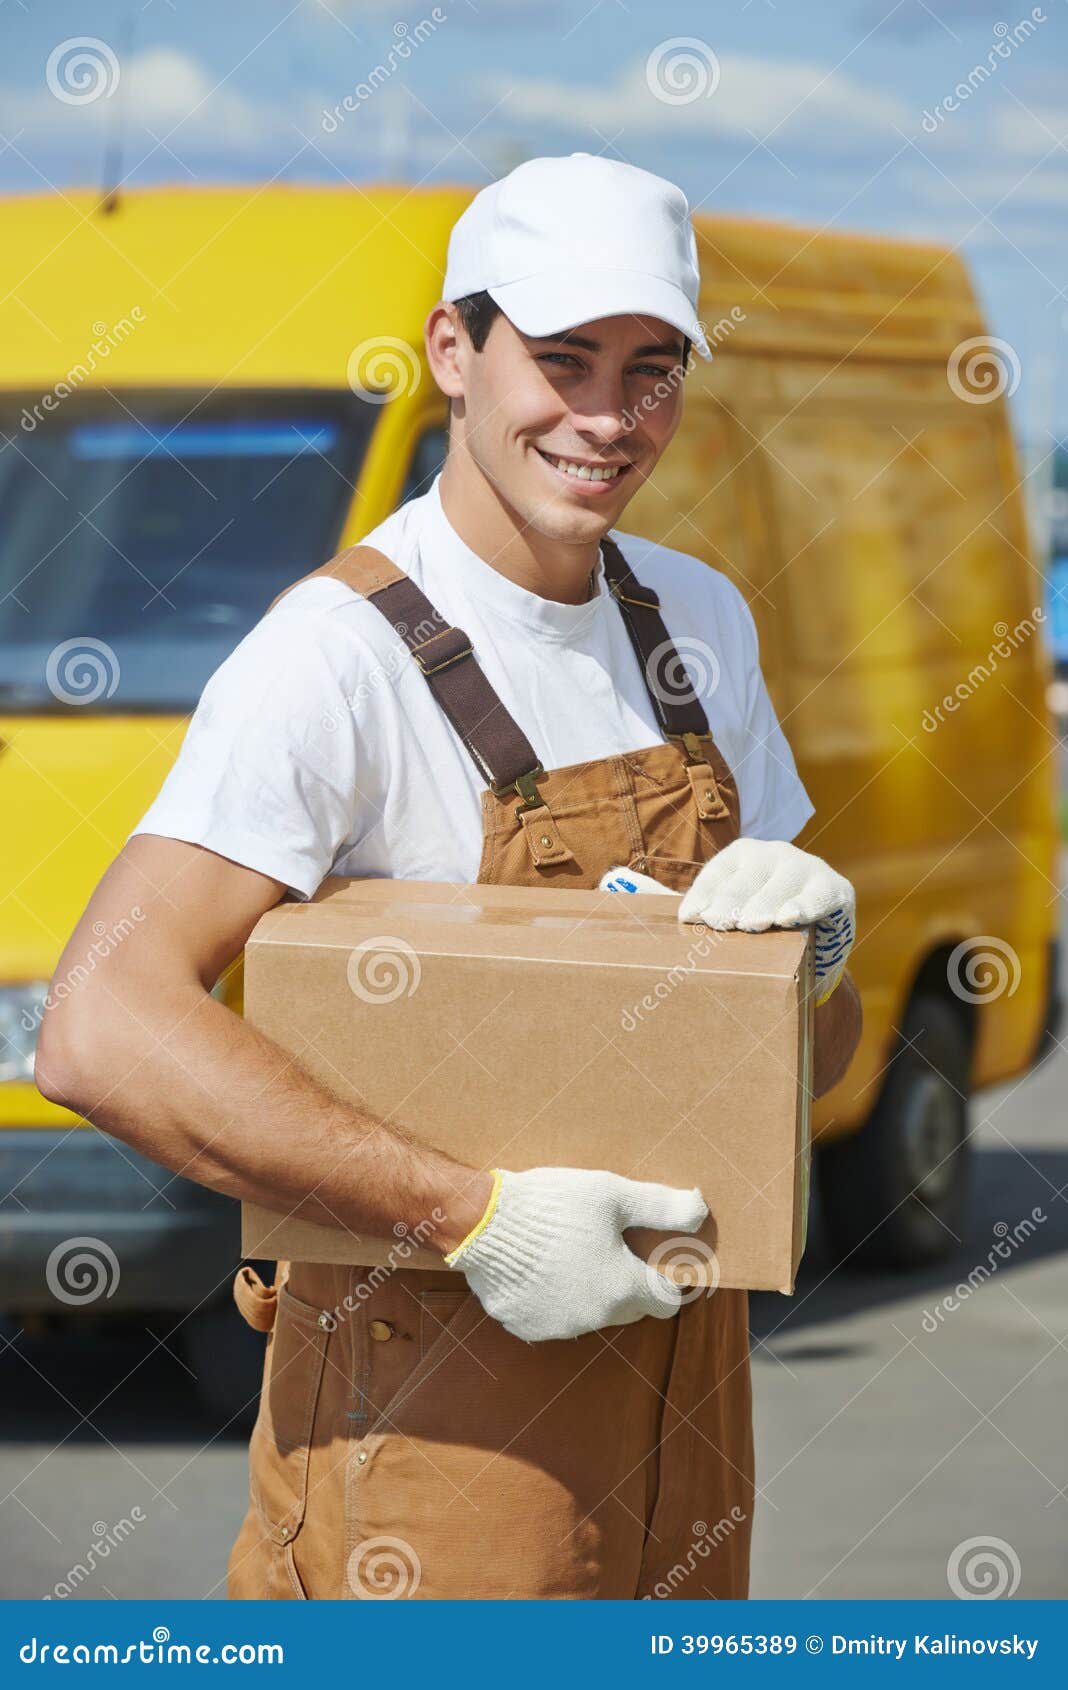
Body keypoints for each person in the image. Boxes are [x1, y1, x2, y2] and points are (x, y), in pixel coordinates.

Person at [36, 152, 862, 1601]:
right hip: (423, 1451)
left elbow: (812, 1063)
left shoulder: (699, 627)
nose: (608, 420)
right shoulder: (333, 656)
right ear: (451, 352)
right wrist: (470, 1216)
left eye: (650, 369)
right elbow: (100, 1023)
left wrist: (822, 966)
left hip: (685, 1441)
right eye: (560, 360)